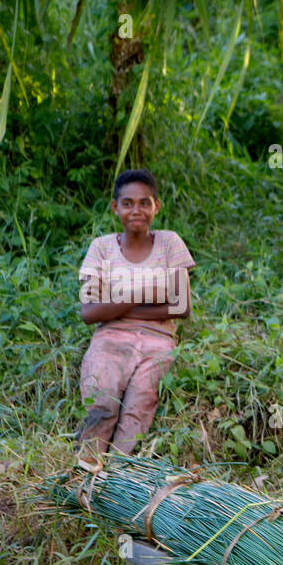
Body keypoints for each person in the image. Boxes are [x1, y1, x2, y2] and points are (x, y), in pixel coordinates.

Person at [75, 169, 195, 457]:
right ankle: (86, 470)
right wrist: (146, 293)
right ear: (115, 207)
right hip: (109, 340)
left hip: (158, 343)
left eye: (144, 203)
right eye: (127, 203)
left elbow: (181, 307)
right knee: (102, 403)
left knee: (138, 409)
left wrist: (116, 304)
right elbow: (90, 312)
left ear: (157, 206)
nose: (136, 210)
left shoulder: (170, 243)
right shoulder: (102, 247)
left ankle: (117, 476)